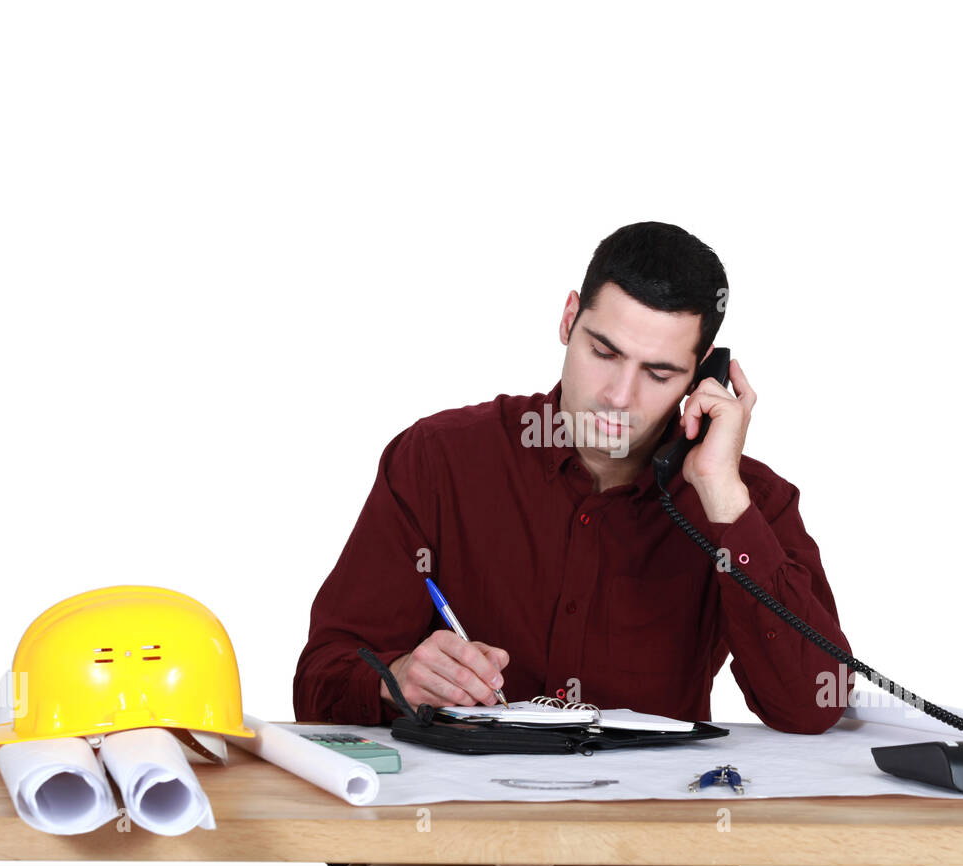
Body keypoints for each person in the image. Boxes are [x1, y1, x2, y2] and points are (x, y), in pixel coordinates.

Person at [293, 221, 854, 732]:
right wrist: (397, 678)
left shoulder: (745, 501)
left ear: (703, 371)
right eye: (604, 352)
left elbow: (812, 705)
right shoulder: (438, 460)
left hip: (645, 834)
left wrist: (726, 503)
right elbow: (321, 677)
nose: (619, 396)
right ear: (568, 320)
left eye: (659, 373)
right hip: (462, 832)